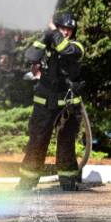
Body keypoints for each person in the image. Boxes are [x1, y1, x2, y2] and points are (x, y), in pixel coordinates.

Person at [17, 12, 85, 191]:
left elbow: (66, 50)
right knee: (37, 142)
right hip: (44, 104)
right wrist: (45, 36)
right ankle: (27, 182)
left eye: (69, 29)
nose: (66, 32)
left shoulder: (76, 46)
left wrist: (53, 31)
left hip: (67, 105)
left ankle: (68, 181)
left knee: (66, 143)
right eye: (63, 28)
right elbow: (31, 56)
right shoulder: (47, 44)